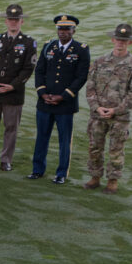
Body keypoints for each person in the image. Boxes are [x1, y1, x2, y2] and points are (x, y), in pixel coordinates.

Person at [29, 14, 91, 184]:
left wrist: (63, 96)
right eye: (60, 29)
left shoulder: (81, 49)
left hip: (65, 104)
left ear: (73, 30)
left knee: (64, 141)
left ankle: (61, 173)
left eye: (66, 29)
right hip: (45, 102)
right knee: (41, 137)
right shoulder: (48, 46)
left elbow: (81, 77)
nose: (62, 32)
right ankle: (37, 170)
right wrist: (42, 93)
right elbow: (39, 71)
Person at [84, 23, 132, 193]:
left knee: (116, 149)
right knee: (94, 147)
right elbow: (90, 87)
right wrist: (96, 107)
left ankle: (112, 181)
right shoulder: (100, 62)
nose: (120, 43)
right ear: (112, 39)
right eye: (118, 39)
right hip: (98, 115)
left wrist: (116, 110)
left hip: (120, 117)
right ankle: (95, 177)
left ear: (130, 43)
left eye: (124, 40)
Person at [0, 3, 36, 172]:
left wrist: (12, 86)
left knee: (11, 127)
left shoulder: (29, 42)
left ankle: (6, 159)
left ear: (22, 21)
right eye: (10, 19)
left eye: (16, 19)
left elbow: (28, 69)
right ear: (6, 21)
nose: (13, 22)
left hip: (13, 93)